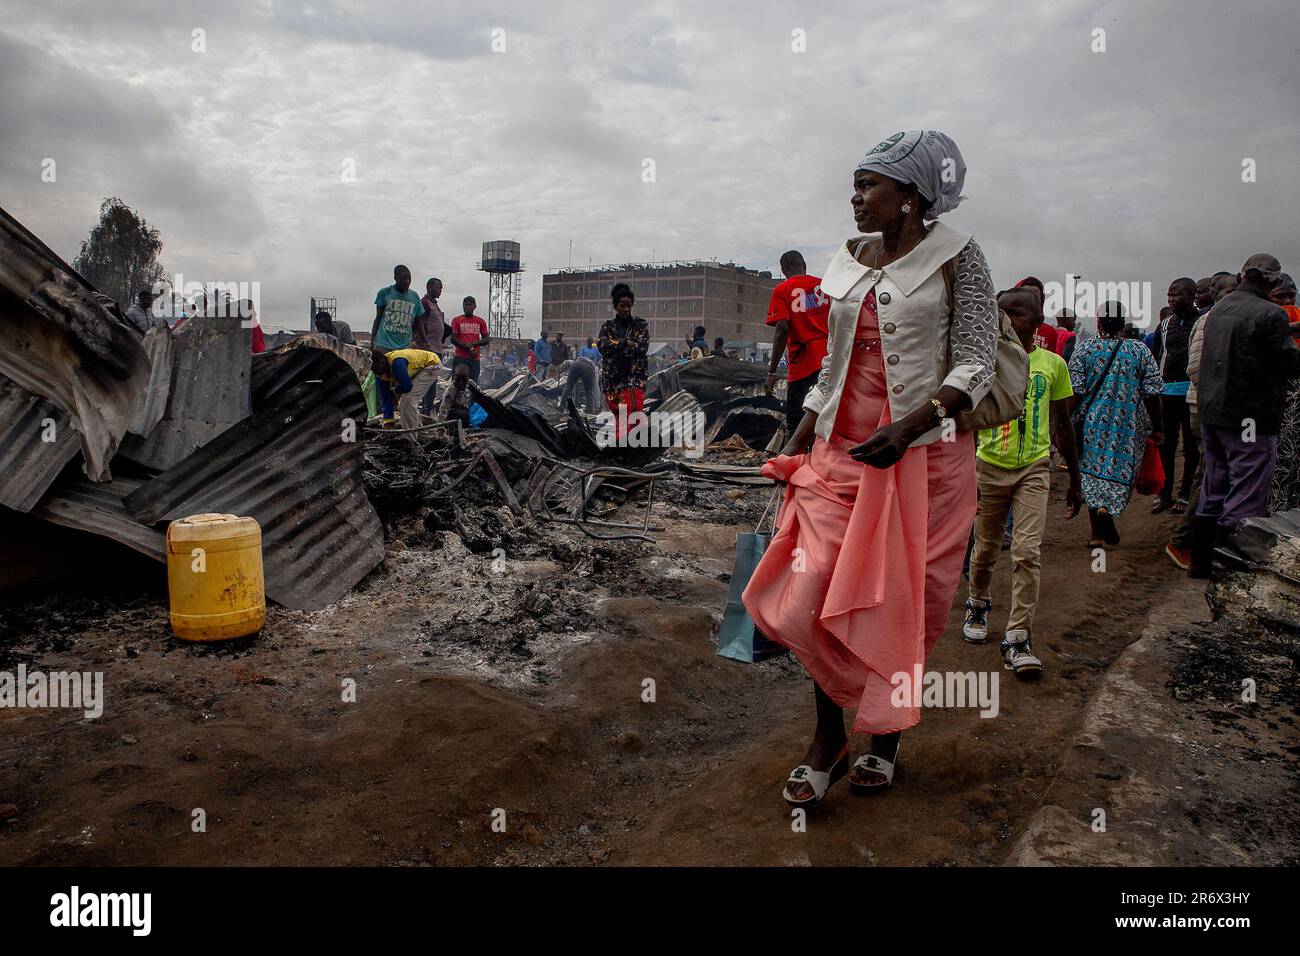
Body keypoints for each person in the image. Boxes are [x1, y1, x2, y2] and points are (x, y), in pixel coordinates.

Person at [742, 129, 996, 803]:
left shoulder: (958, 258)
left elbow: (976, 358)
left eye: (868, 185)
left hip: (925, 465)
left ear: (911, 196)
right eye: (853, 185)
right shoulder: (847, 262)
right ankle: (829, 734)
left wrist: (910, 427)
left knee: (900, 606)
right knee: (813, 592)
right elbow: (832, 367)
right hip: (840, 458)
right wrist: (797, 440)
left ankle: (886, 734)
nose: (854, 198)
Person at [964, 287, 1081, 676]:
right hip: (988, 464)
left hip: (1035, 465)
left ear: (1037, 320)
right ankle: (978, 604)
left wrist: (1076, 479)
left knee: (1027, 552)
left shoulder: (1052, 365)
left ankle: (1018, 637)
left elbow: (1062, 422)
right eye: (1002, 312)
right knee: (985, 549)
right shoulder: (986, 364)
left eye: (1017, 313)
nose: (1007, 320)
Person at [1190, 254, 1300, 573]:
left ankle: (1199, 563)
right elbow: (1286, 364)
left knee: (1215, 485)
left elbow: (1245, 337)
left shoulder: (1220, 308)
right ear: (1272, 281)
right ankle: (1232, 568)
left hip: (1213, 413)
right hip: (1249, 418)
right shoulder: (1270, 314)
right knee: (1247, 492)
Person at [1067, 301, 1164, 548]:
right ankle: (1108, 509)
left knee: (1091, 472)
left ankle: (1096, 535)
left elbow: (1075, 391)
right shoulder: (1140, 351)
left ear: (1098, 322)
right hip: (1128, 425)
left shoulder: (1085, 349)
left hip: (1091, 424)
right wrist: (1158, 425)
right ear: (1122, 322)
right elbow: (1152, 394)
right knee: (1120, 471)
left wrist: (1064, 422)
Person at [1166, 271, 1240, 568]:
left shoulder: (1215, 318)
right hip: (1208, 407)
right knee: (1211, 473)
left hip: (1211, 406)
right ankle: (1183, 540)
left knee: (1207, 473)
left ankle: (1202, 540)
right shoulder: (1211, 320)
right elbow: (1195, 369)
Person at [765, 249, 832, 438]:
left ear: (784, 270)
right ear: (804, 265)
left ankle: (797, 462)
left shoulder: (782, 291)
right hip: (830, 359)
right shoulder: (824, 286)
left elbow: (782, 330)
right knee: (828, 412)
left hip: (803, 362)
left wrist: (772, 372)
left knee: (796, 418)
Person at [1150, 278, 1202, 514]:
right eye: (1169, 295)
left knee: (1191, 447)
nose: (1171, 300)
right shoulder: (1165, 325)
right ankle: (1164, 494)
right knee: (1166, 445)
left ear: (1191, 296)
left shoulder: (1201, 322)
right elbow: (1157, 355)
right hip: (1167, 392)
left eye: (1176, 295)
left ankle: (1184, 494)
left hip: (1191, 391)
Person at [371, 265, 425, 420]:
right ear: (395, 278)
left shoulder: (414, 297)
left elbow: (418, 322)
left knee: (404, 383)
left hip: (403, 348)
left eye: (409, 279)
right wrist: (373, 340)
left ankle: (402, 415)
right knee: (382, 381)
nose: (407, 282)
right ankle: (387, 418)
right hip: (384, 344)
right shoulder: (385, 293)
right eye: (403, 279)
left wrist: (425, 341)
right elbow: (378, 318)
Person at [597, 283, 650, 437]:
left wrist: (614, 348)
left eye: (629, 305)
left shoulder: (639, 326)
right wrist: (624, 343)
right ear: (615, 306)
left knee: (633, 413)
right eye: (622, 305)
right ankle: (623, 449)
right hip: (612, 381)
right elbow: (602, 346)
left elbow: (641, 348)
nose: (626, 309)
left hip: (633, 379)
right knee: (620, 416)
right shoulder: (608, 327)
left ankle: (632, 448)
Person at [1269, 274, 1300, 512]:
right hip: (1272, 409)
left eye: (1291, 295)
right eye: (1281, 296)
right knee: (1278, 465)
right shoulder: (1259, 322)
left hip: (1294, 409)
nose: (1287, 301)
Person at [376, 347, 441, 429]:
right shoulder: (379, 372)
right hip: (417, 369)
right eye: (373, 370)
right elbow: (386, 398)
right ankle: (419, 431)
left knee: (407, 402)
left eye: (376, 369)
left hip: (431, 364)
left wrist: (395, 392)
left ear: (382, 362)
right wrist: (388, 422)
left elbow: (407, 386)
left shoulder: (397, 362)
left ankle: (410, 437)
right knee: (404, 404)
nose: (376, 372)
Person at [415, 278, 445, 413]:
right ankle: (425, 410)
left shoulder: (435, 304)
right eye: (438, 288)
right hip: (429, 349)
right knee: (428, 383)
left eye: (441, 288)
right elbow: (419, 324)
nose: (440, 291)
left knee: (433, 382)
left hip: (437, 348)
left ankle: (428, 409)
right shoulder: (425, 303)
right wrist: (425, 344)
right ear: (429, 287)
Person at [448, 296, 489, 381]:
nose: (467, 307)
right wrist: (470, 348)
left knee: (473, 384)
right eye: (465, 305)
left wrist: (473, 344)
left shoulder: (480, 321)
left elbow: (486, 339)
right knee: (456, 384)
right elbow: (453, 339)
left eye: (470, 305)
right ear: (462, 306)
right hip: (460, 357)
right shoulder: (456, 320)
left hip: (474, 358)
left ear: (474, 307)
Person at [1015, 276, 1058, 353]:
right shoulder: (1006, 326)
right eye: (1025, 296)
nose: (1030, 301)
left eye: (1035, 297)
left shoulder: (1050, 333)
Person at [559, 349, 601, 414]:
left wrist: (576, 402)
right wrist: (597, 406)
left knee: (568, 387)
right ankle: (589, 410)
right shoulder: (595, 369)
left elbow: (576, 387)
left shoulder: (574, 362)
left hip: (577, 363)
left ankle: (562, 407)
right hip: (587, 368)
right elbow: (595, 389)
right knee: (588, 391)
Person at [438, 362, 474, 429]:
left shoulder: (471, 384)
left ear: (467, 377)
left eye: (463, 378)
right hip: (454, 415)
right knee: (462, 414)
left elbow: (481, 395)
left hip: (469, 412)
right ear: (455, 377)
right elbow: (443, 410)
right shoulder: (451, 390)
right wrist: (440, 429)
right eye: (459, 378)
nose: (461, 382)